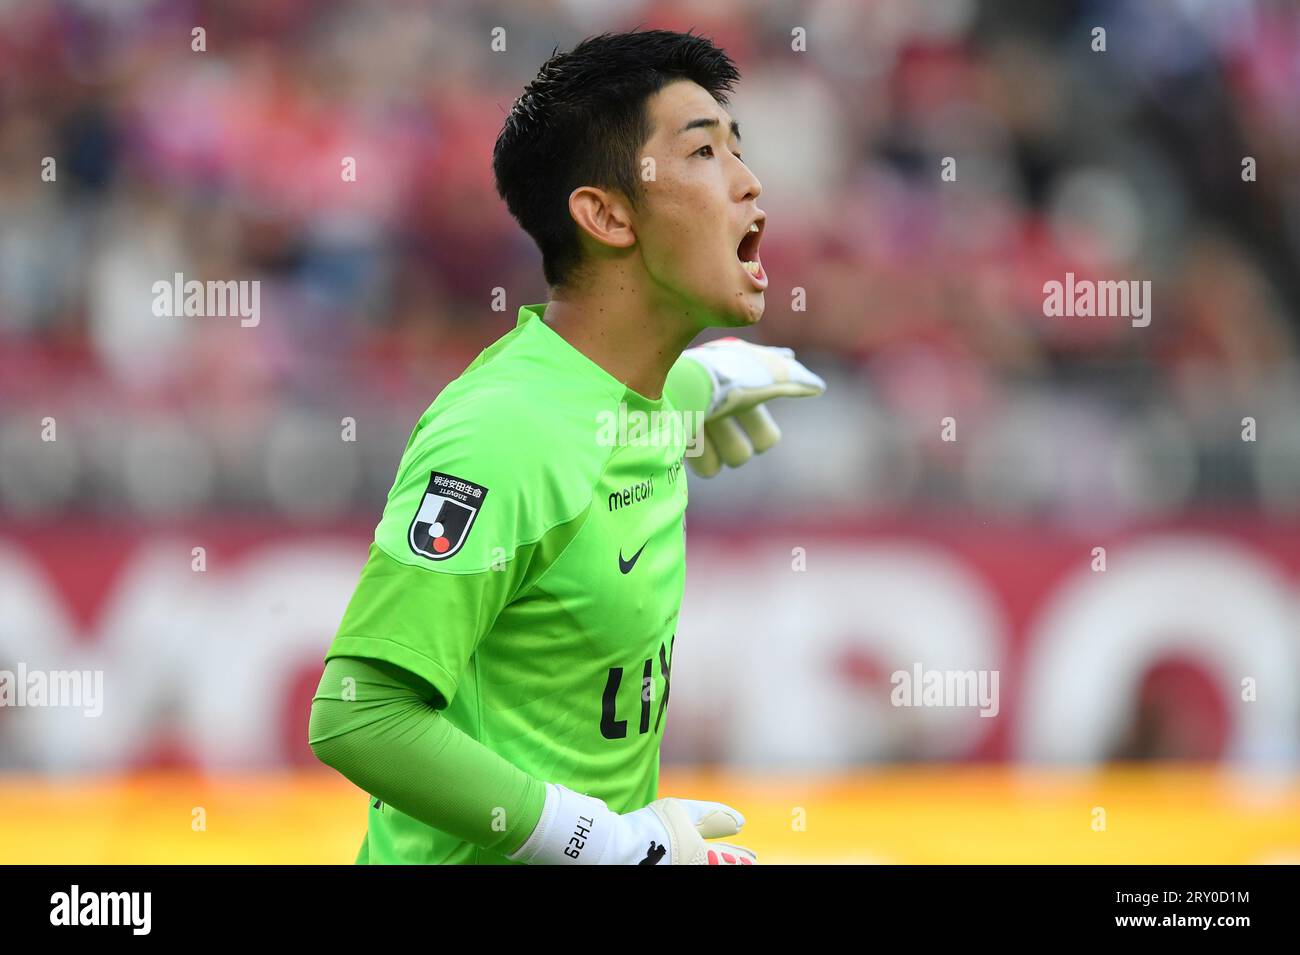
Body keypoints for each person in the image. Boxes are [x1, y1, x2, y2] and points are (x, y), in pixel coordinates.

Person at [309, 29, 824, 865]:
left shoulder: (639, 395)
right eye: (703, 152)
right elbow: (360, 714)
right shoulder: (501, 433)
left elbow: (616, 416)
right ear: (608, 214)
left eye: (740, 148)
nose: (750, 181)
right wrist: (608, 844)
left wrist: (715, 380)